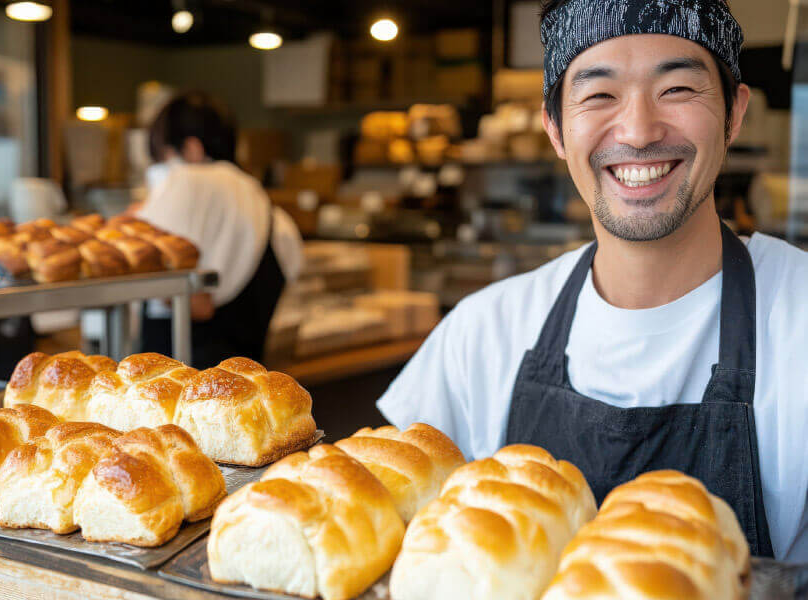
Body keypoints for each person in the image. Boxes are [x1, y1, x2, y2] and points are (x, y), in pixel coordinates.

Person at [378, 0, 808, 561]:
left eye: (677, 89)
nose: (638, 130)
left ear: (734, 113)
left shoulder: (798, 319)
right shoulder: (481, 335)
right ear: (554, 129)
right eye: (599, 94)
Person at [136, 92, 302, 369]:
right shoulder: (266, 204)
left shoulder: (189, 183)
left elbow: (197, 305)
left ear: (192, 148)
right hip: (247, 383)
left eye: (164, 156)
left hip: (176, 390)